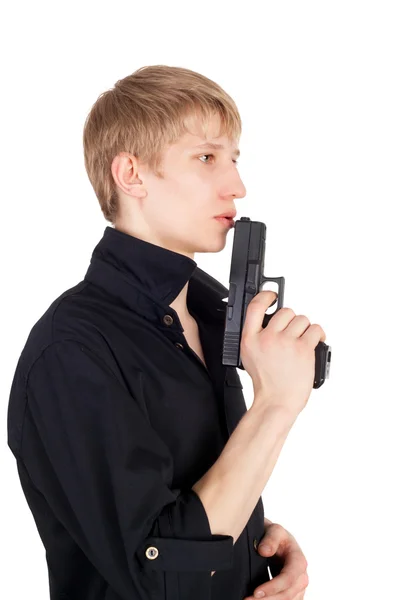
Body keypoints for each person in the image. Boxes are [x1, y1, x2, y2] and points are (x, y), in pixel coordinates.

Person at [7, 65, 325, 600]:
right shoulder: (73, 351)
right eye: (206, 158)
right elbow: (159, 576)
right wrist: (275, 406)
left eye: (234, 159)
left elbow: (193, 508)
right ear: (130, 174)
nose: (238, 185)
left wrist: (258, 548)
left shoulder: (213, 318)